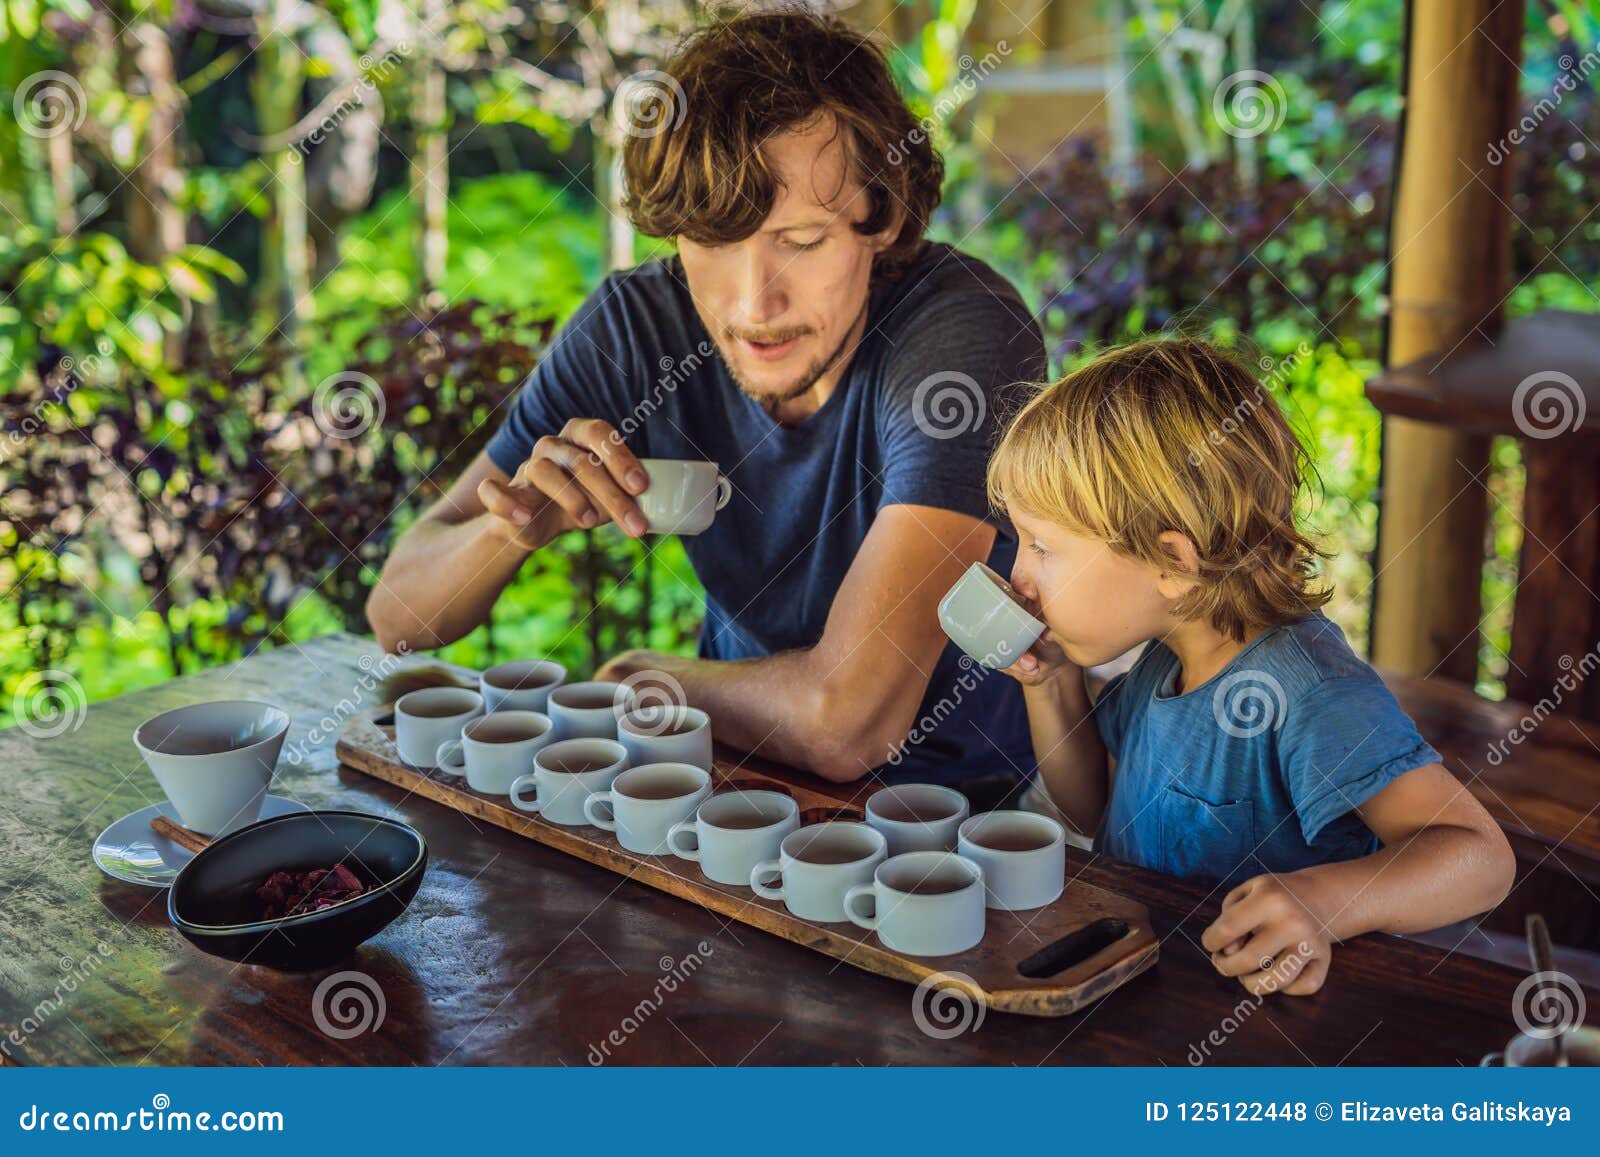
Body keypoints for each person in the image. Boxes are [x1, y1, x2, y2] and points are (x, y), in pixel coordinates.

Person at [367, 10, 1042, 792]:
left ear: (881, 219)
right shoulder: (638, 327)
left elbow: (850, 723)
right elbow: (398, 616)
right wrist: (511, 526)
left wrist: (638, 678)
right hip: (719, 767)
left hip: (951, 819)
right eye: (715, 241)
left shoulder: (963, 337)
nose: (755, 303)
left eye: (801, 239)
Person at [988, 337, 1515, 995]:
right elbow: (1096, 807)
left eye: (1042, 546)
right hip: (1155, 992)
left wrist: (1323, 901)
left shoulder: (1307, 690)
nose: (1018, 575)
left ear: (1174, 564)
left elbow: (1480, 855)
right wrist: (1053, 683)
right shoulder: (1163, 663)